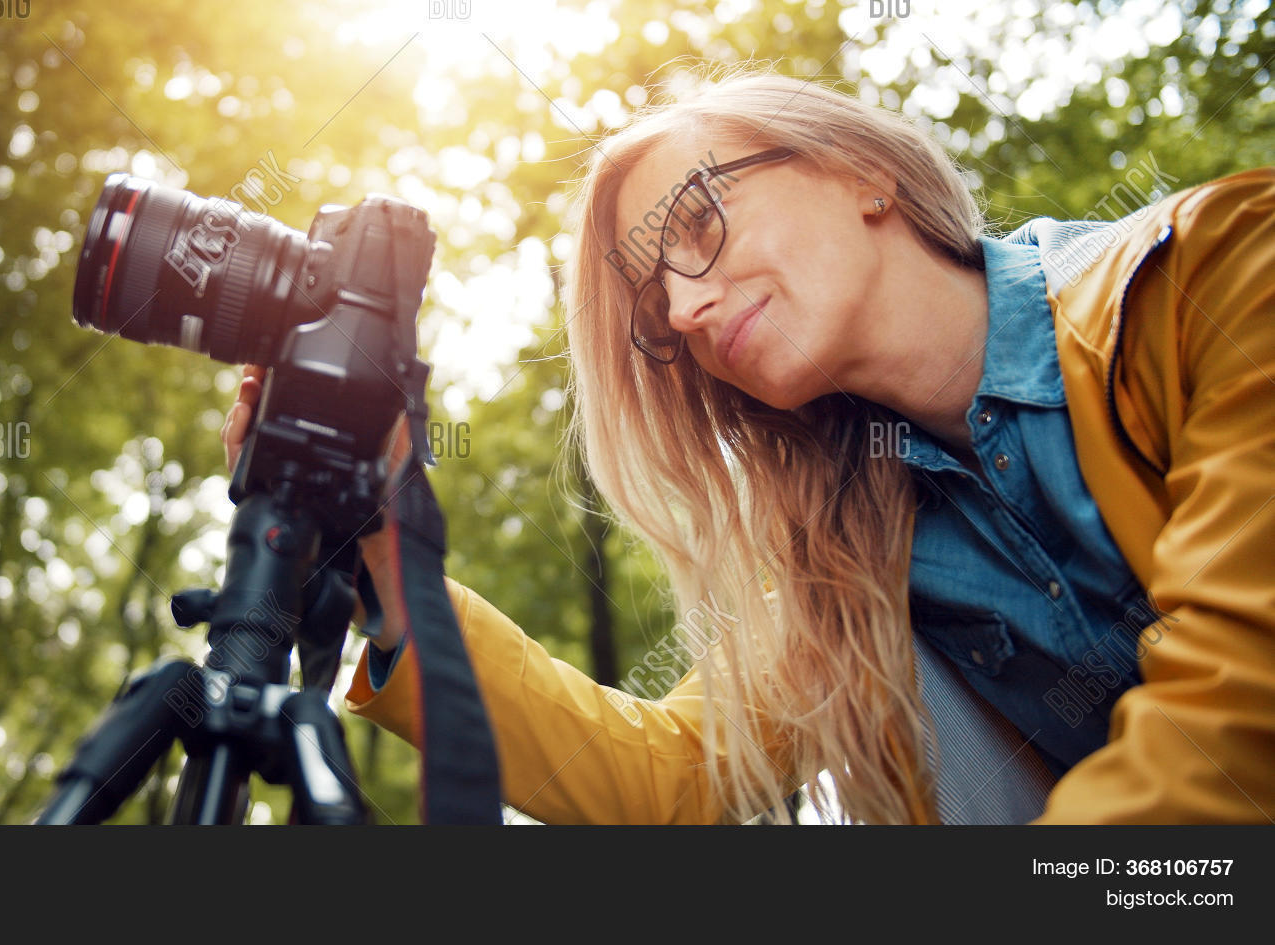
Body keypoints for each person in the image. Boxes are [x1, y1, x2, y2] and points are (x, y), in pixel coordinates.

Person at [222, 69, 1275, 824]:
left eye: (698, 222)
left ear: (865, 172)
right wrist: (383, 538)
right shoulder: (849, 568)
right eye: (652, 308)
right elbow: (666, 780)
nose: (681, 308)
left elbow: (1235, 716)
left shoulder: (1225, 276)